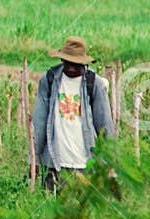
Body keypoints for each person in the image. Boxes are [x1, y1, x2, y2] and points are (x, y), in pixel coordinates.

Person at [30, 36, 113, 191]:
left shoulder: (95, 84)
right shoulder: (49, 80)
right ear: (62, 60)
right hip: (55, 163)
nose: (72, 68)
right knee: (52, 210)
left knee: (84, 212)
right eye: (68, 63)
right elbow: (39, 123)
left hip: (86, 164)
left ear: (84, 62)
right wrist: (33, 159)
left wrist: (110, 163)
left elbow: (105, 125)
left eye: (76, 64)